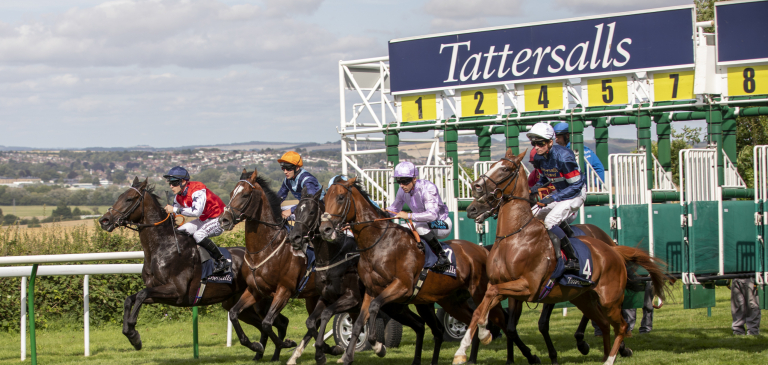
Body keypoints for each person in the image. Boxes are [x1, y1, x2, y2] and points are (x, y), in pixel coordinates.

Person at [528, 122, 585, 274]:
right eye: (534, 143)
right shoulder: (540, 157)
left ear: (550, 142)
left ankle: (572, 259)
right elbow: (545, 178)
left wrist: (552, 198)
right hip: (560, 193)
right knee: (532, 217)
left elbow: (575, 186)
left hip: (575, 193)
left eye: (540, 143)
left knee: (550, 221)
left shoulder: (564, 157)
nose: (536, 147)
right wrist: (533, 189)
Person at [163, 166, 230, 274]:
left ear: (183, 181)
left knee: (198, 235)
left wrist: (174, 209)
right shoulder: (178, 197)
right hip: (204, 219)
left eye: (174, 183)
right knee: (179, 232)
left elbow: (196, 212)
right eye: (170, 183)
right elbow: (173, 213)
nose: (171, 186)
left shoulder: (197, 190)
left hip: (219, 218)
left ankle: (222, 260)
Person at [386, 161, 452, 270]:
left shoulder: (428, 188)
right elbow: (394, 209)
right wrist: (380, 211)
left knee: (419, 226)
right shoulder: (402, 191)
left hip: (442, 224)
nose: (402, 185)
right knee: (400, 228)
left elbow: (432, 215)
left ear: (414, 179)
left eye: (405, 182)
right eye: (399, 181)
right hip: (423, 223)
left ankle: (442, 257)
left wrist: (409, 216)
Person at [276, 151, 321, 220]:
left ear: (297, 168)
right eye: (283, 168)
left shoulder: (308, 180)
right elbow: (279, 197)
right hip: (304, 206)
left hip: (318, 207)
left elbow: (310, 201)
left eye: (288, 168)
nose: (285, 172)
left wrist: (290, 210)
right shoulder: (287, 180)